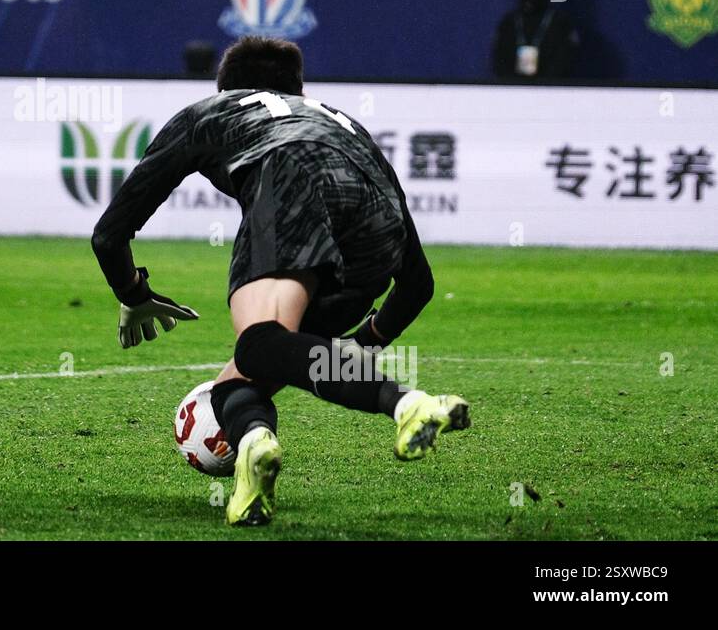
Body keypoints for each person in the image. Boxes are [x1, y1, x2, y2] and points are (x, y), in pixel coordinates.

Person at [92, 36, 467, 527]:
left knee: (257, 345)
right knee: (238, 383)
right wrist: (367, 340)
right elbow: (417, 283)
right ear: (298, 88)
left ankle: (408, 404)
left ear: (225, 87)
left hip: (290, 178)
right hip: (371, 239)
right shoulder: (345, 124)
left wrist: (133, 293)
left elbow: (108, 235)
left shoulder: (211, 111)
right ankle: (252, 448)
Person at [491, 0, 580, 79]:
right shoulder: (509, 22)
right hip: (513, 89)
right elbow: (499, 60)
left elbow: (565, 61)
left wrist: (544, 85)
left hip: (551, 89)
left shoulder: (560, 23)